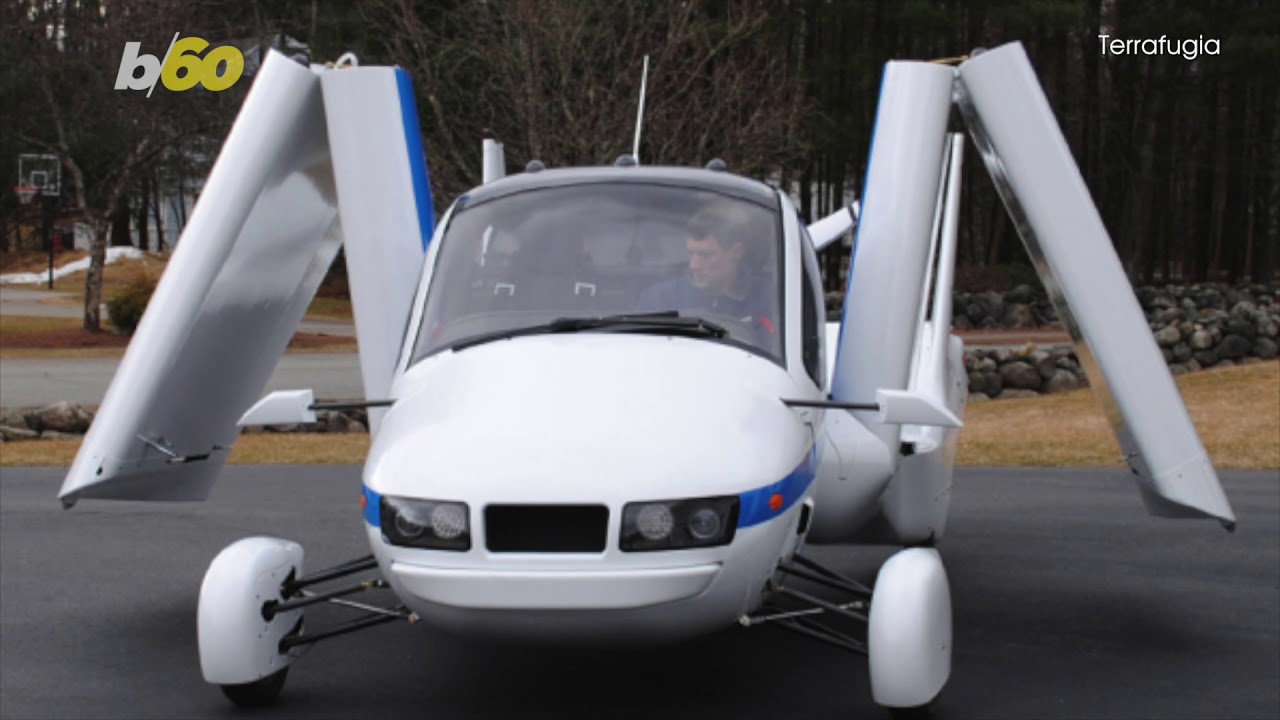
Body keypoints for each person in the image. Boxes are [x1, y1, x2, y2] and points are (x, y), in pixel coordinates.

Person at [637, 202, 777, 338]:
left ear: (736, 252)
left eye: (705, 255)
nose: (694, 265)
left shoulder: (768, 301)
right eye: (691, 253)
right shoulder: (659, 300)